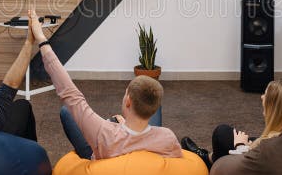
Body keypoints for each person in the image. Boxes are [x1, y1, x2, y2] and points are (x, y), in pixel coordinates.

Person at [28, 9, 181, 160]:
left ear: (128, 100)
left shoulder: (103, 132)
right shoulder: (167, 137)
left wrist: (41, 38)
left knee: (66, 111)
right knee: (149, 99)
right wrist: (124, 126)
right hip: (141, 145)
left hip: (105, 152)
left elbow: (70, 94)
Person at [182, 79, 282, 168]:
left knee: (222, 133)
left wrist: (241, 146)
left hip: (255, 169)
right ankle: (208, 156)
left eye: (266, 95)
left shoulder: (270, 145)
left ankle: (208, 160)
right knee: (243, 137)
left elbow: (244, 166)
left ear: (277, 109)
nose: (261, 97)